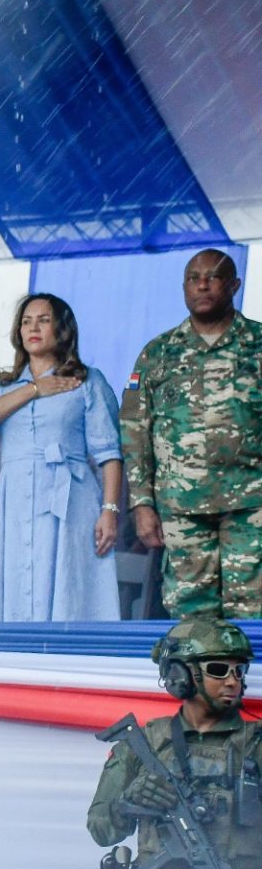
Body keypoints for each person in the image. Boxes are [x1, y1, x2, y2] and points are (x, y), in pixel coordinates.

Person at [88, 618, 262, 869]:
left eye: (240, 670)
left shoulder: (256, 746)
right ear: (181, 675)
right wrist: (128, 802)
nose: (233, 680)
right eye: (218, 669)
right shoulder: (147, 744)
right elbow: (100, 830)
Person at [120, 249, 262, 622]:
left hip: (252, 506)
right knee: (191, 616)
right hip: (181, 506)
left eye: (213, 276)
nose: (202, 283)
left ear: (234, 285)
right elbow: (135, 431)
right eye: (192, 277)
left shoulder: (258, 344)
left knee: (253, 614)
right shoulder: (158, 353)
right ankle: (200, 683)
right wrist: (142, 504)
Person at [0, 294, 123, 621]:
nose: (33, 327)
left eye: (44, 320)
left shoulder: (88, 381)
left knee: (69, 584)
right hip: (16, 502)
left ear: (61, 329)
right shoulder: (1, 386)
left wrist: (109, 510)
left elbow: (109, 453)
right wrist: (35, 389)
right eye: (26, 321)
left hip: (71, 498)